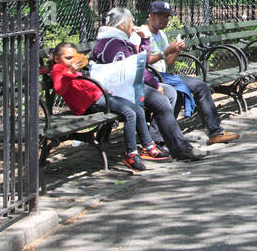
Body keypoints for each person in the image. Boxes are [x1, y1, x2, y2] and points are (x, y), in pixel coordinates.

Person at [90, 7, 206, 161]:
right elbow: (134, 69)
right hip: (116, 92)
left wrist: (145, 40)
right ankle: (180, 148)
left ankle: (153, 141)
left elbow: (140, 62)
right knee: (162, 99)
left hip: (125, 85)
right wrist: (154, 84)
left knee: (171, 92)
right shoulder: (113, 44)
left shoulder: (119, 40)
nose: (132, 26)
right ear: (120, 26)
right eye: (130, 23)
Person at [47, 41, 168, 172]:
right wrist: (70, 72)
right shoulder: (58, 70)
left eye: (73, 57)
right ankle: (131, 154)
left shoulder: (70, 68)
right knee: (130, 113)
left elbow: (84, 85)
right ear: (56, 59)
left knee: (137, 108)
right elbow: (59, 90)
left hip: (100, 96)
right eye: (68, 58)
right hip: (91, 104)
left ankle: (148, 146)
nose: (72, 61)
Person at [134, 1, 240, 145]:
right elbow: (141, 63)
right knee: (176, 92)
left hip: (163, 75)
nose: (164, 19)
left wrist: (176, 50)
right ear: (150, 15)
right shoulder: (141, 34)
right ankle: (157, 139)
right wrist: (165, 52)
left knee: (200, 86)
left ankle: (215, 132)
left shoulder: (162, 35)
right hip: (149, 78)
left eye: (167, 16)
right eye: (161, 15)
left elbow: (168, 62)